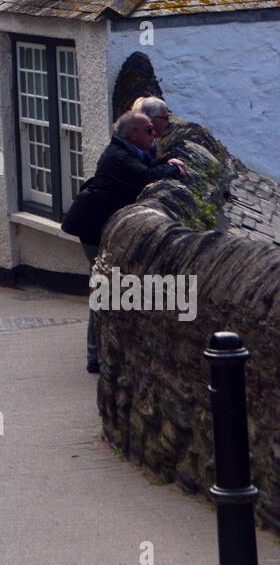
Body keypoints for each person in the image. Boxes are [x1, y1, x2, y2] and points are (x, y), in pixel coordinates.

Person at [61, 110, 187, 373]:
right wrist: (173, 168)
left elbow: (148, 167)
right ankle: (94, 356)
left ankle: (101, 352)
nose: (155, 134)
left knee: (108, 288)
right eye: (149, 130)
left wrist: (168, 160)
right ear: (133, 134)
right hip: (93, 227)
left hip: (104, 224)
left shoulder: (129, 150)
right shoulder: (118, 156)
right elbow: (145, 177)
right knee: (102, 288)